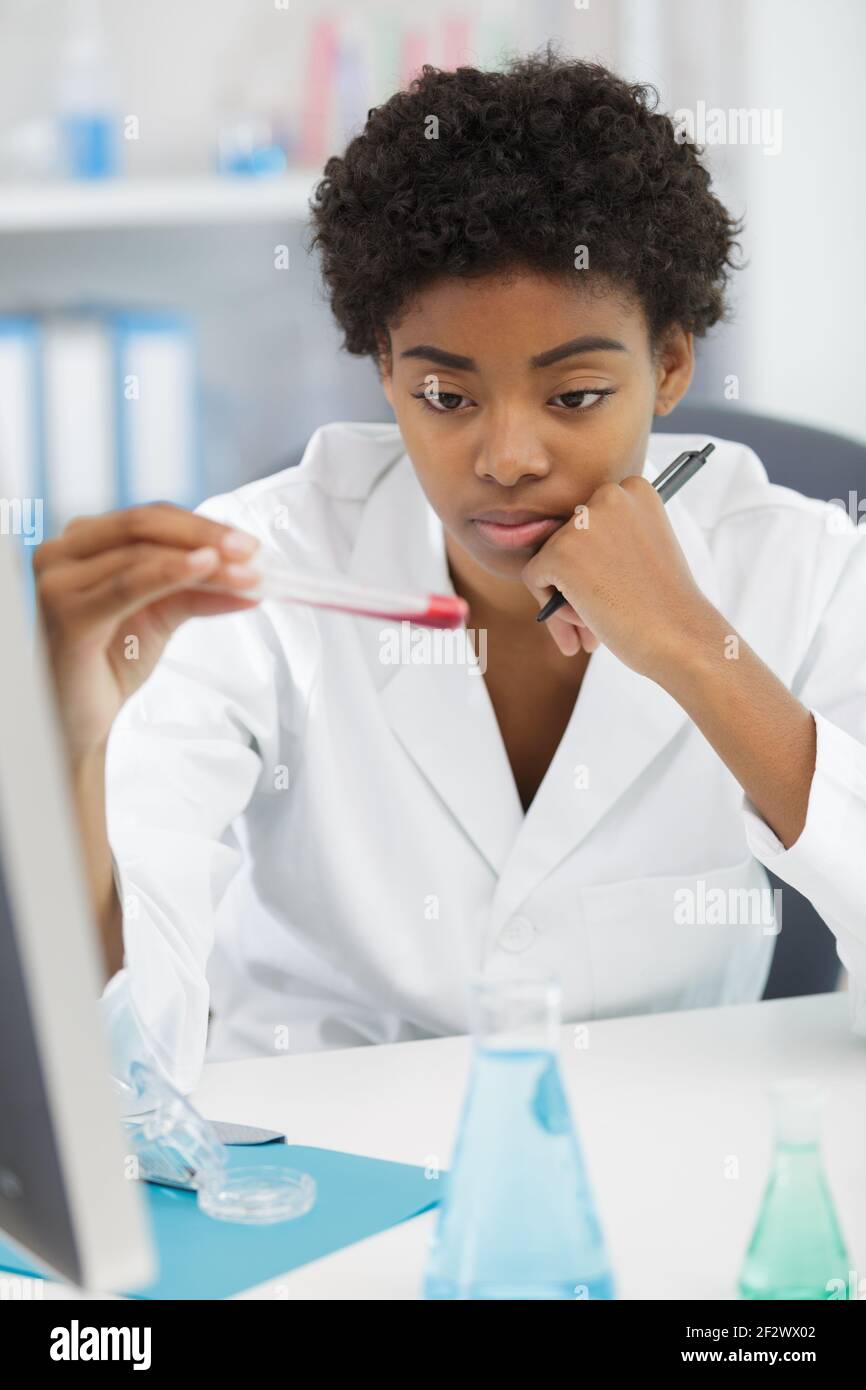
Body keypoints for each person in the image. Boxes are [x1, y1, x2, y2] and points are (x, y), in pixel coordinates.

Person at [35, 52, 866, 1096]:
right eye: (443, 394)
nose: (506, 456)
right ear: (382, 368)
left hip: (660, 1164)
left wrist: (697, 654)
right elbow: (109, 1043)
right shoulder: (256, 574)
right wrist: (62, 742)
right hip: (314, 1167)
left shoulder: (804, 568)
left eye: (572, 395)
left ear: (667, 365)